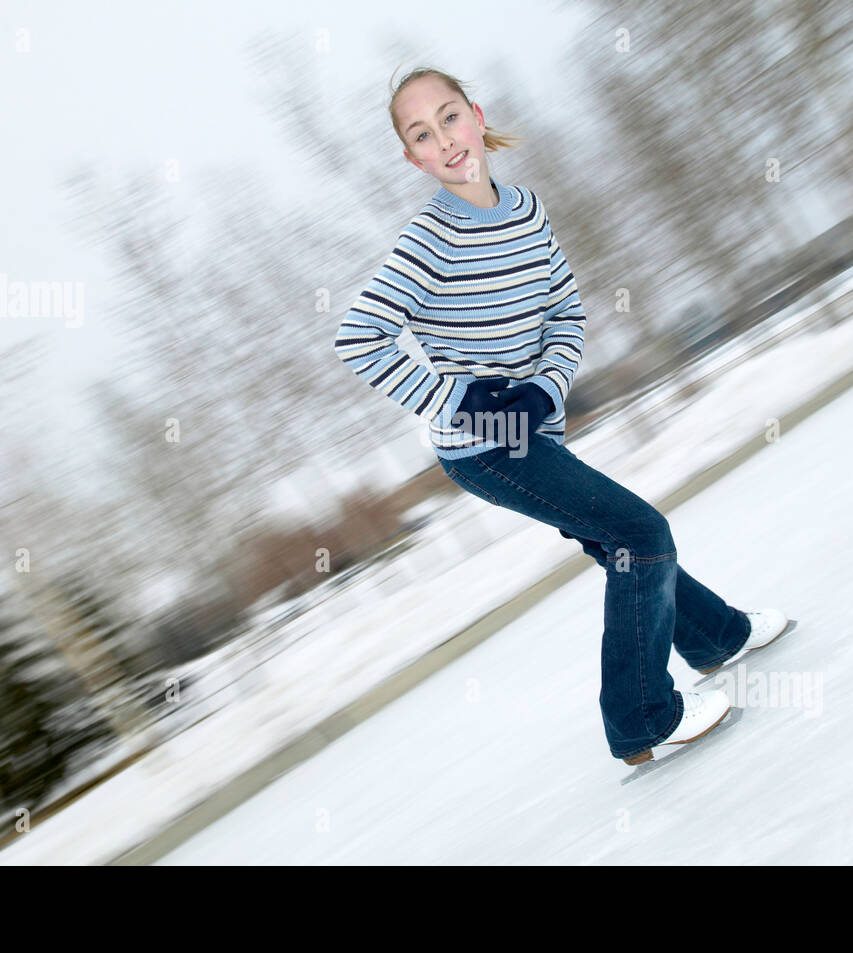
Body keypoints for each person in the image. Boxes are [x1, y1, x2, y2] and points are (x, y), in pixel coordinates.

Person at [333, 66, 793, 766]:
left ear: (477, 115)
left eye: (450, 117)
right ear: (413, 158)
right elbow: (358, 337)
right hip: (481, 446)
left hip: (533, 428)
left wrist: (546, 389)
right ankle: (641, 719)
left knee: (619, 540)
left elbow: (564, 311)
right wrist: (460, 399)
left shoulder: (525, 208)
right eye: (422, 134)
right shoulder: (430, 238)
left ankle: (717, 635)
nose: (445, 140)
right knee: (640, 531)